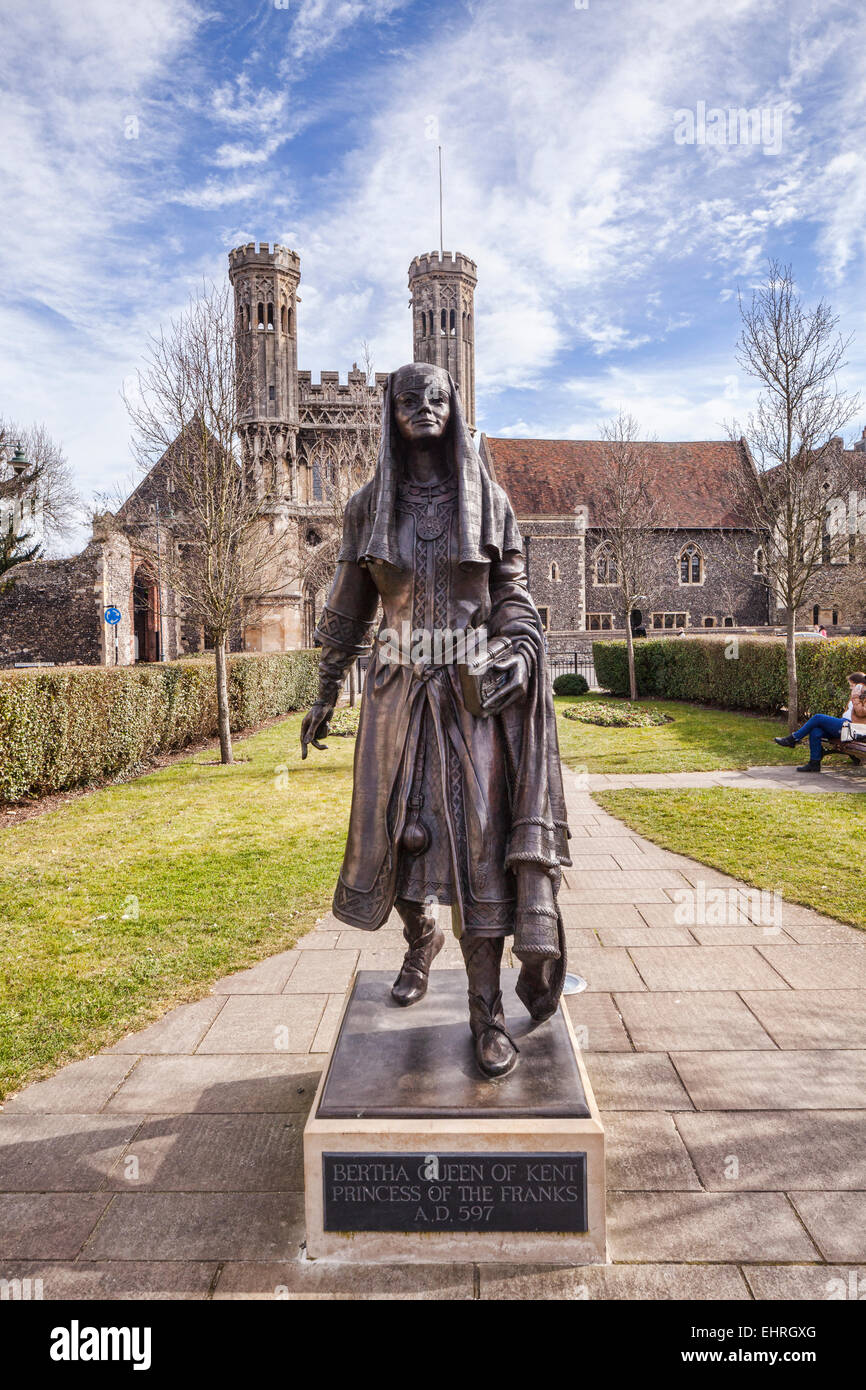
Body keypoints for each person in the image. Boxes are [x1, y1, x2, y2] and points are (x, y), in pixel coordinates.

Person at [300, 363, 571, 1079]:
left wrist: (518, 648)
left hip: (468, 696)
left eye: (440, 399)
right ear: (390, 413)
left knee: (477, 847)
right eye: (411, 399)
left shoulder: (489, 500)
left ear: (455, 411)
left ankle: (486, 1014)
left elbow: (512, 595)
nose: (426, 409)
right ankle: (419, 942)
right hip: (393, 696)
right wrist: (326, 688)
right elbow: (347, 606)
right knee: (394, 840)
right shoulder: (367, 507)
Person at [774, 673, 866, 771]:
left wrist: (856, 697)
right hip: (844, 724)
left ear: (859, 684)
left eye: (852, 686)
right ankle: (814, 763)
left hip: (852, 728)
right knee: (816, 731)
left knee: (818, 717)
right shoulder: (860, 695)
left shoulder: (861, 696)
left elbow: (861, 713)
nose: (851, 688)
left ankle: (793, 739)